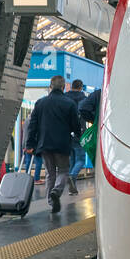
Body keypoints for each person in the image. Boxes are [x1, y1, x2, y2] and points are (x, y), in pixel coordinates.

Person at [23, 75, 82, 213]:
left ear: (50, 86)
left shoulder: (40, 103)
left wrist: (30, 144)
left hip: (45, 144)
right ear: (62, 87)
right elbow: (76, 125)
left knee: (50, 174)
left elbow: (33, 125)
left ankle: (51, 201)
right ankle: (56, 191)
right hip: (62, 144)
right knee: (63, 171)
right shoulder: (69, 103)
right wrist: (78, 135)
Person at [65, 79, 86, 194]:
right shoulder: (83, 99)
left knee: (72, 159)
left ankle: (72, 188)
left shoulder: (65, 97)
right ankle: (72, 176)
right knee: (81, 160)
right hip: (79, 132)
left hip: (67, 133)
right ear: (81, 87)